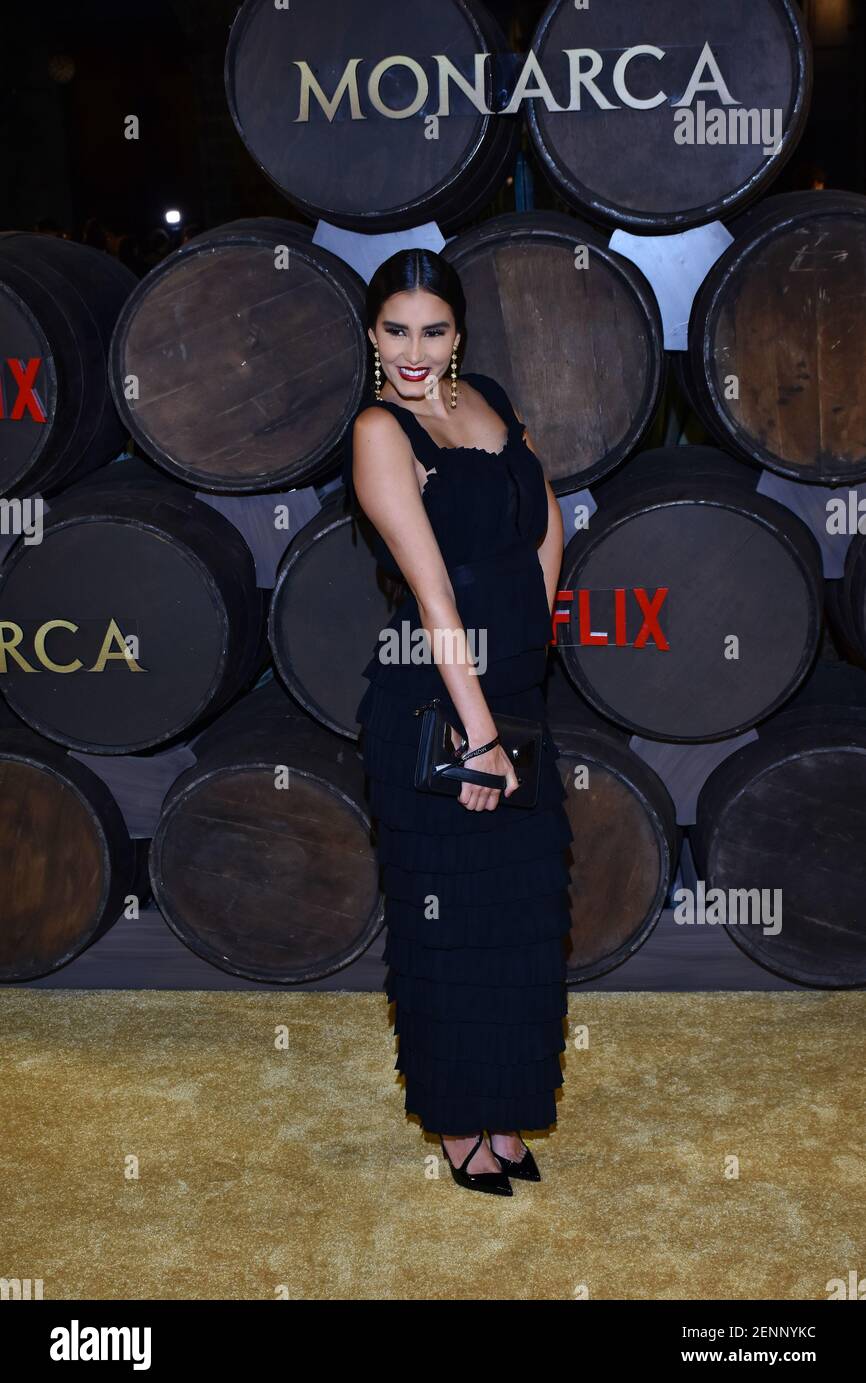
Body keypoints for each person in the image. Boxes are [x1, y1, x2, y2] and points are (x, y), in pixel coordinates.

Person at [343, 248, 572, 1197]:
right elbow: (434, 597)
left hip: (514, 689)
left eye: (430, 330)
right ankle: (458, 1126)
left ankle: (504, 1109)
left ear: (458, 334)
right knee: (448, 926)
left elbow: (546, 514)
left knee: (520, 919)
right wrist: (479, 735)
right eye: (395, 330)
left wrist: (533, 635)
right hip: (438, 704)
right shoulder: (378, 431)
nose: (412, 349)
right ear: (371, 335)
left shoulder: (484, 396)